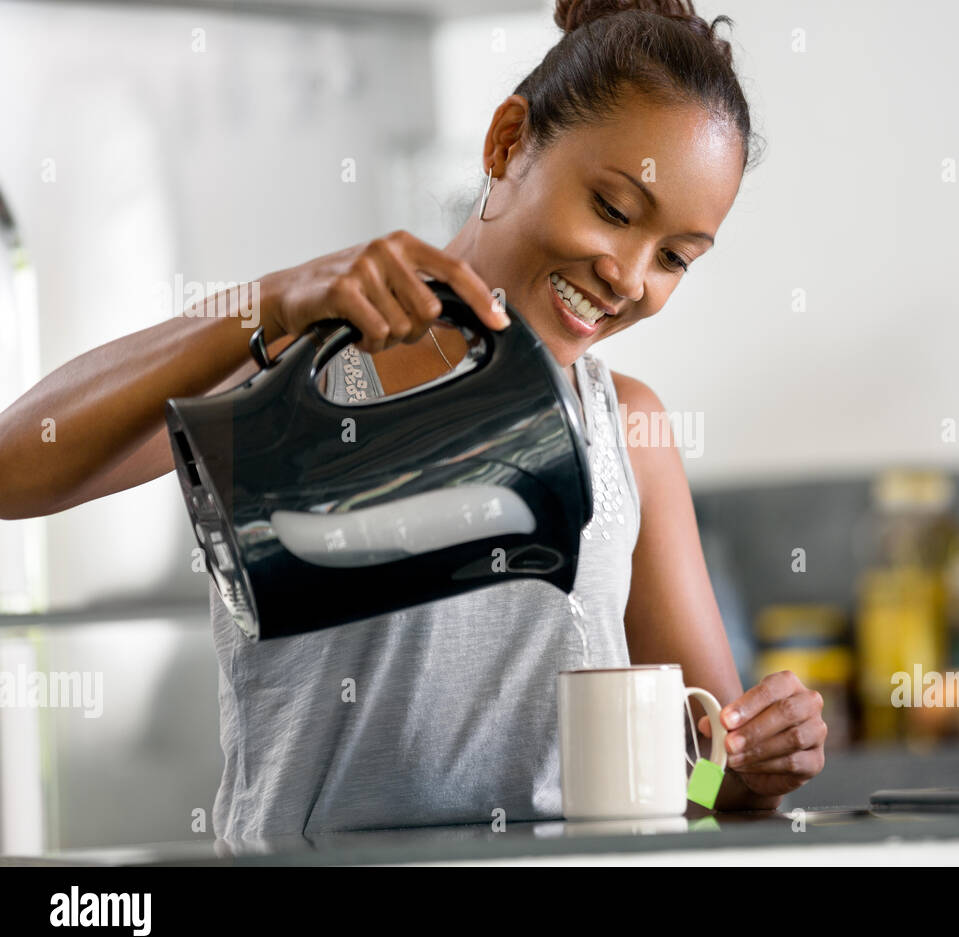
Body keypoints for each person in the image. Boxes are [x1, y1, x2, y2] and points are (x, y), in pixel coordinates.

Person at [0, 0, 826, 840]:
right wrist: (278, 301)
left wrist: (762, 756)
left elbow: (715, 771)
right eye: (613, 210)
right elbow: (9, 470)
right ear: (508, 142)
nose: (629, 276)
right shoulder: (295, 369)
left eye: (676, 258)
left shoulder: (631, 430)